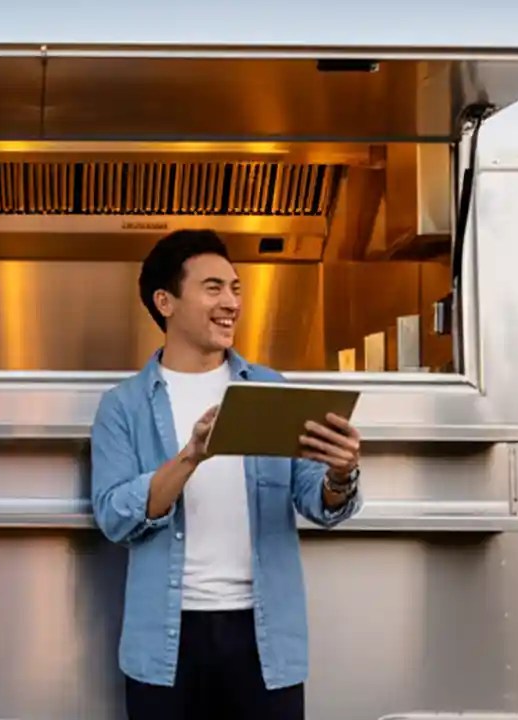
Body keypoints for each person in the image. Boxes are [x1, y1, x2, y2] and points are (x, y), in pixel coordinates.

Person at [89, 229, 363, 719]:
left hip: (263, 638)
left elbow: (315, 501)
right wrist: (190, 456)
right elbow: (114, 516)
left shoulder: (270, 389)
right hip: (166, 641)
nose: (231, 302)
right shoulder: (123, 406)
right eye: (213, 287)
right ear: (165, 302)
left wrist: (340, 475)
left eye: (236, 288)